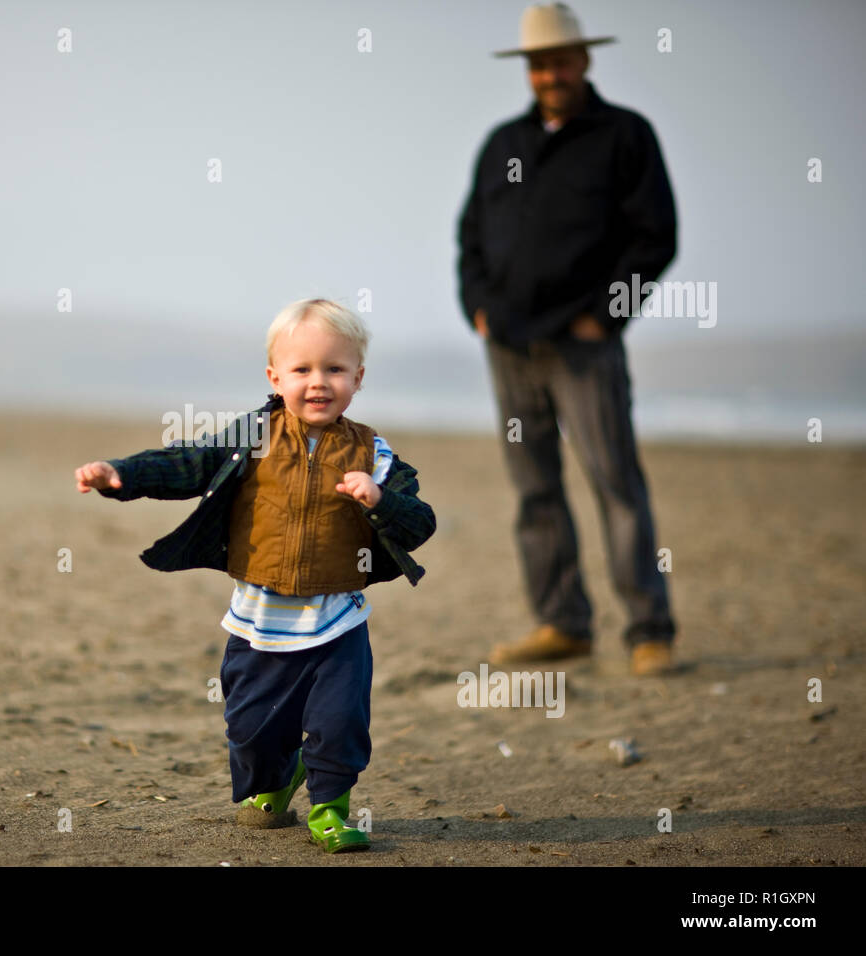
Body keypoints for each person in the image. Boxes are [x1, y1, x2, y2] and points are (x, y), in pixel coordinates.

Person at [75, 299, 436, 852]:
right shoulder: (254, 435)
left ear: (358, 378)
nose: (319, 382)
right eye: (302, 369)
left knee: (340, 722)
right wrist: (121, 474)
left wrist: (381, 499)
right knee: (250, 731)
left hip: (337, 623)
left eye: (335, 369)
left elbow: (420, 522)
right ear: (275, 377)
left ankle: (331, 808)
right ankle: (275, 778)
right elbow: (187, 464)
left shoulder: (373, 452)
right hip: (257, 621)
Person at [456, 3, 678, 676]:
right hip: (509, 346)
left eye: (559, 61)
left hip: (583, 348)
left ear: (583, 60)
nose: (549, 74)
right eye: (538, 64)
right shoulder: (502, 143)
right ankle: (563, 624)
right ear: (528, 70)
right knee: (534, 489)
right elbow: (470, 236)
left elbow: (655, 238)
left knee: (615, 483)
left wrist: (604, 318)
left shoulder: (625, 136)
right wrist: (478, 309)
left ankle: (649, 630)